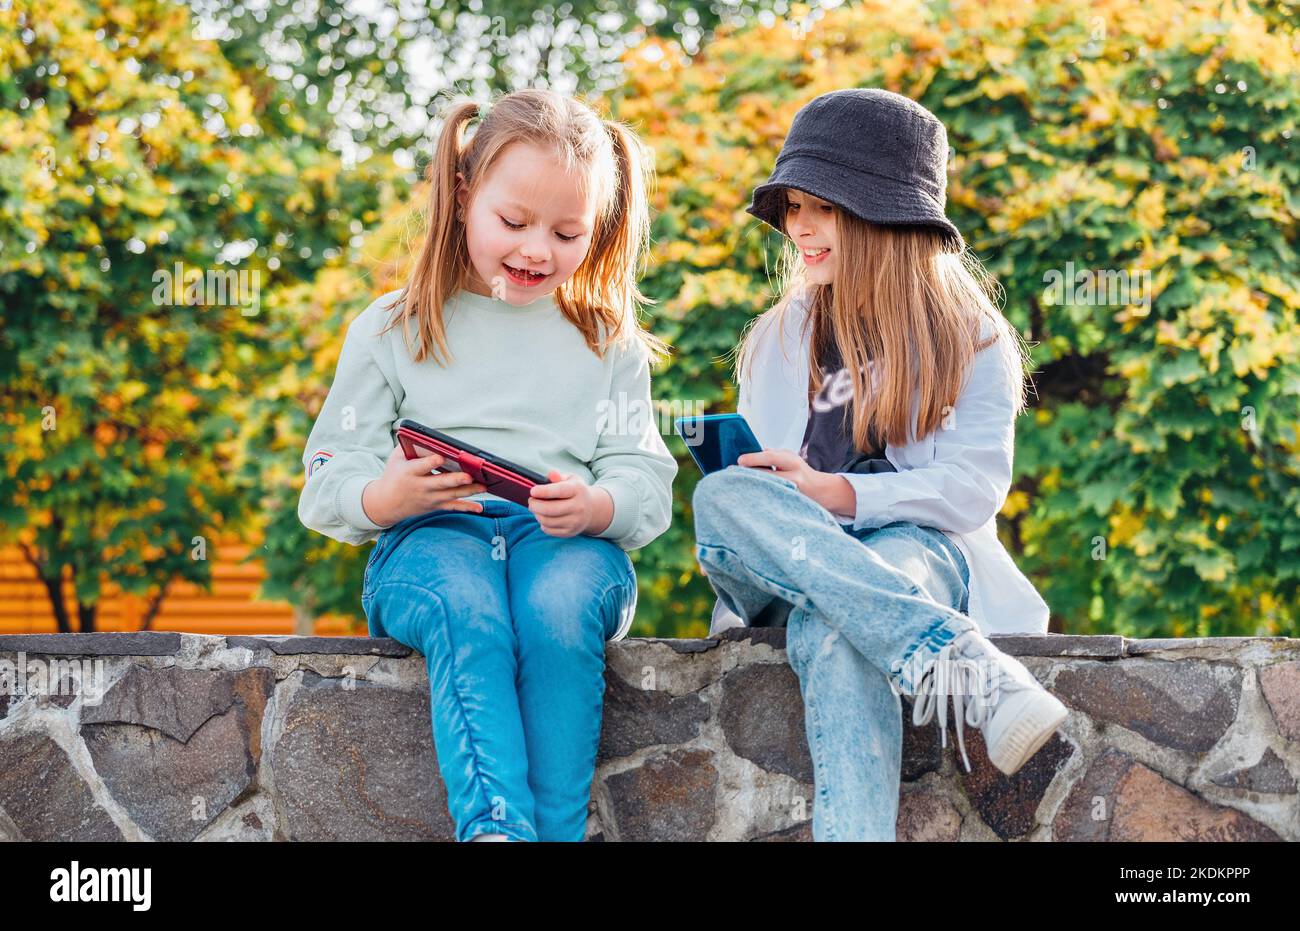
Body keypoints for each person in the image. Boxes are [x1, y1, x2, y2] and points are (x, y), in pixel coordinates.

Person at [298, 89, 678, 842]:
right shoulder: (392, 325)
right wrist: (386, 494)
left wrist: (597, 506)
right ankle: (497, 828)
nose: (538, 250)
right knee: (466, 606)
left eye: (567, 232)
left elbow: (644, 478)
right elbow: (327, 479)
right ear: (465, 193)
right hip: (431, 538)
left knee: (558, 608)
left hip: (562, 544)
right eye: (514, 222)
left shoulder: (609, 342)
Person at [692, 88, 1068, 841]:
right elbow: (764, 495)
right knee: (724, 495)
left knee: (838, 629)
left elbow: (971, 489)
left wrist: (838, 492)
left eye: (821, 207)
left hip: (912, 553)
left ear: (885, 216)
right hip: (786, 562)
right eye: (792, 206)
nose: (798, 227)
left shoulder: (972, 337)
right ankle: (966, 670)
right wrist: (786, 487)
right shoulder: (779, 333)